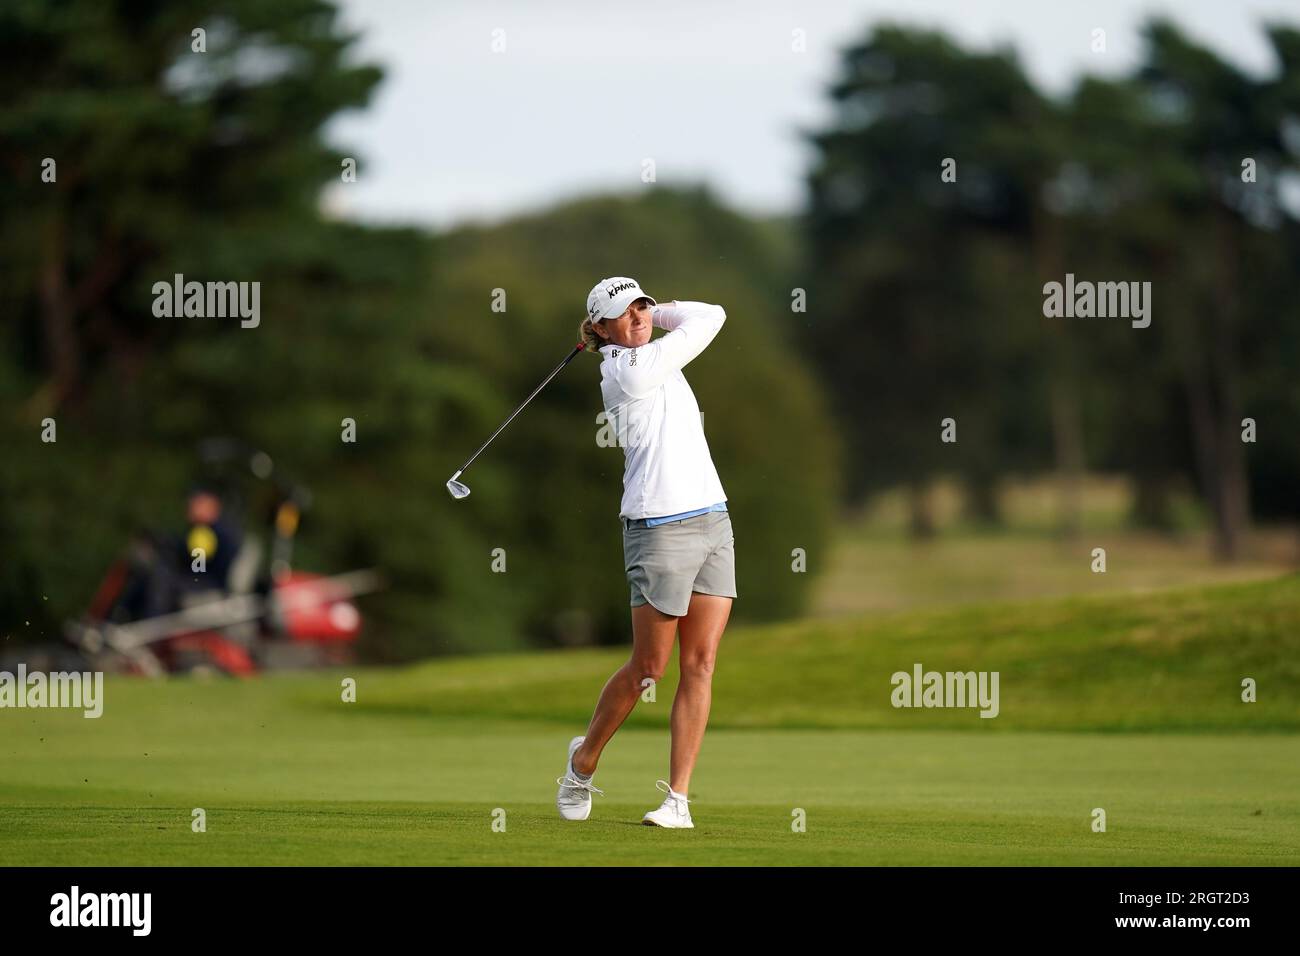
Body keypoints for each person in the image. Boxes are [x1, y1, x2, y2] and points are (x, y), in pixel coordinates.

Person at [555, 276, 737, 828]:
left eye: (642, 308)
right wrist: (655, 325)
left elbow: (713, 311)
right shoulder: (625, 371)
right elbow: (711, 318)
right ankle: (582, 763)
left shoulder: (653, 354)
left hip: (713, 518)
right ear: (601, 327)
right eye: (624, 313)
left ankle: (677, 799)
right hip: (658, 527)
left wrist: (657, 313)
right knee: (649, 669)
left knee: (700, 664)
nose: (637, 318)